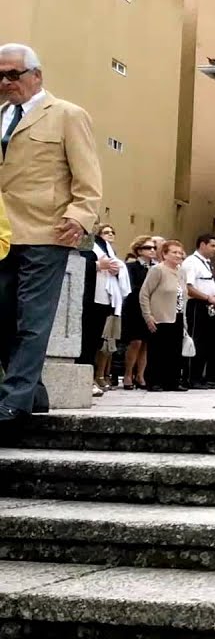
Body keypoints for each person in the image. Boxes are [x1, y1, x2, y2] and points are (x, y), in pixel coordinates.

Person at [0, 43, 103, 426]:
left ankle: (13, 401)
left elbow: (88, 177)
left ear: (36, 75)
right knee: (3, 317)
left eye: (14, 74)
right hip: (3, 233)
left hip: (47, 232)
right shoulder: (0, 116)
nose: (6, 82)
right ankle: (35, 393)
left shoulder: (66, 115)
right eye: (0, 76)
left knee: (33, 320)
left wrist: (79, 215)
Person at [139, 240, 189, 393]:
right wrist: (148, 316)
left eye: (180, 253)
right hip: (160, 316)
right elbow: (144, 293)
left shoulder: (182, 272)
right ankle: (154, 381)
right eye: (174, 252)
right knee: (158, 351)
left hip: (177, 315)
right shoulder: (157, 270)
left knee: (174, 351)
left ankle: (172, 381)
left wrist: (185, 320)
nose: (178, 255)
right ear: (165, 254)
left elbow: (183, 295)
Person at [89, 225, 130, 394]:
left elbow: (120, 274)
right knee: (92, 340)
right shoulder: (90, 245)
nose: (110, 235)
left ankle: (98, 375)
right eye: (106, 232)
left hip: (109, 300)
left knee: (102, 342)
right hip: (93, 296)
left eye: (112, 232)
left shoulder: (108, 250)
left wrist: (116, 269)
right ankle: (93, 376)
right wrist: (99, 265)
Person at [181, 234, 215, 389]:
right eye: (212, 246)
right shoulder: (192, 262)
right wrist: (207, 298)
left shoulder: (207, 263)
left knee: (207, 344)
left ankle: (201, 376)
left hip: (208, 306)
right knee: (197, 341)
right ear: (202, 245)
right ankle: (192, 378)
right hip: (197, 305)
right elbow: (189, 287)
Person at [121, 236, 157, 390]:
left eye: (154, 248)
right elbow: (131, 287)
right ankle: (128, 374)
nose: (152, 251)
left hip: (151, 307)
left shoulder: (156, 268)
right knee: (135, 341)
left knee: (146, 343)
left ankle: (141, 375)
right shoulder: (131, 267)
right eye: (148, 248)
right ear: (139, 250)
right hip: (134, 307)